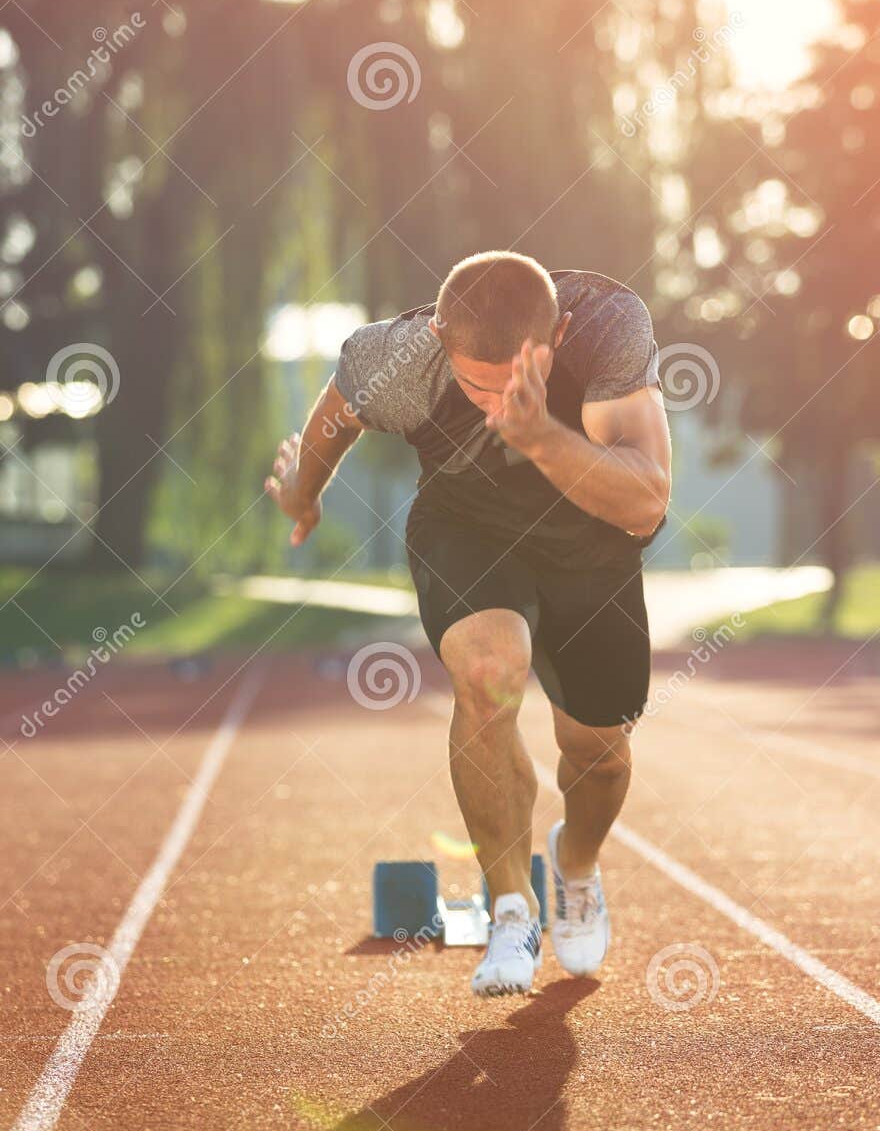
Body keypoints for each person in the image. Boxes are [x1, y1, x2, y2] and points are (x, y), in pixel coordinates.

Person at [264, 252, 671, 996]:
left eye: (510, 383)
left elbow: (645, 499)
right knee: (489, 675)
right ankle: (512, 905)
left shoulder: (609, 328)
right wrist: (302, 496)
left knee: (597, 751)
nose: (489, 406)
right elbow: (334, 418)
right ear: (440, 338)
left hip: (591, 540)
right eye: (472, 383)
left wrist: (538, 433)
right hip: (466, 526)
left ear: (560, 335)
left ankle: (574, 866)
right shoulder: (400, 356)